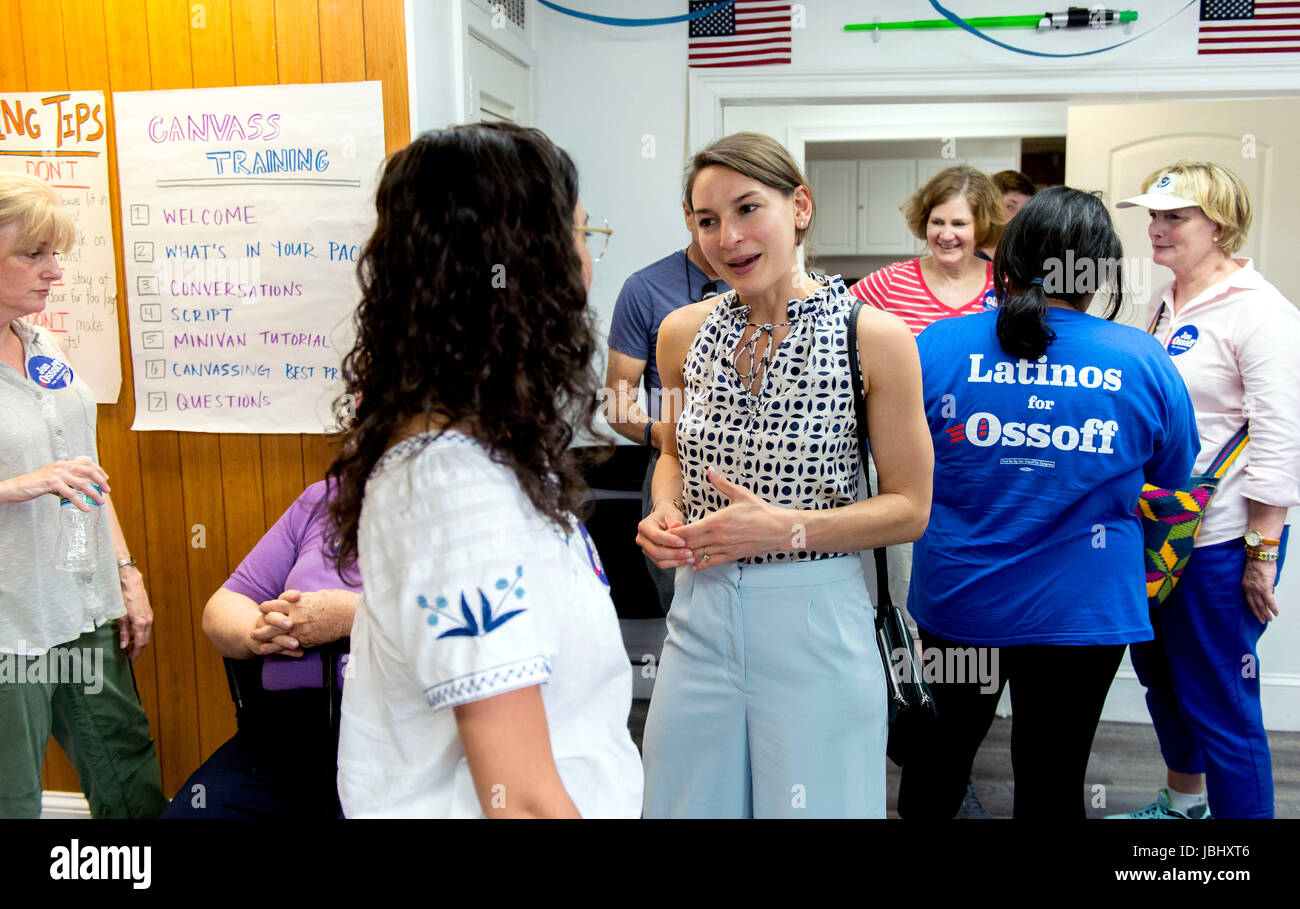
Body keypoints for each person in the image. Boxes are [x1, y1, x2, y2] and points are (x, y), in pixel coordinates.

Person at [329, 123, 643, 818]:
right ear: (527, 262)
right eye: (582, 235)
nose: (589, 263)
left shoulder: (482, 453)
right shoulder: (451, 486)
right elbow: (523, 801)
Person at [635, 132, 933, 818]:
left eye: (747, 209)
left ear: (799, 205)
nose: (728, 237)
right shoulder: (681, 332)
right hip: (698, 613)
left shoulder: (873, 337)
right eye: (707, 220)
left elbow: (910, 507)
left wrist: (786, 528)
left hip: (816, 616)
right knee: (682, 806)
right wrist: (662, 509)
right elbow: (676, 450)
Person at [896, 186, 1200, 819]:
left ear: (1006, 257)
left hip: (961, 600)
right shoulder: (1142, 360)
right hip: (1082, 614)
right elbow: (1172, 476)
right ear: (1100, 272)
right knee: (1054, 776)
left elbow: (895, 463)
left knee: (939, 762)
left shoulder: (935, 348)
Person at [1109, 162, 1300, 820]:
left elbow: (1280, 442)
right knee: (1161, 682)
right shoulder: (1164, 303)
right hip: (1160, 528)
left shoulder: (1262, 312)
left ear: (1218, 224)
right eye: (1153, 216)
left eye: (1175, 216)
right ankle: (1185, 808)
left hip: (1220, 541)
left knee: (1221, 697)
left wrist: (1261, 553)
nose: (1156, 229)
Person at [0, 172, 166, 818]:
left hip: (82, 605)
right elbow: (43, 476)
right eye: (33, 254)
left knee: (129, 776)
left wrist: (124, 572)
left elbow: (84, 468)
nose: (55, 273)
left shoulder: (44, 344)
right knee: (13, 796)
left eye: (56, 254)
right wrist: (20, 485)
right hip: (10, 626)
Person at [161, 480, 359, 818]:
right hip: (278, 738)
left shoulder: (466, 507)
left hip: (397, 738)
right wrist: (259, 631)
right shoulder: (326, 497)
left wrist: (354, 616)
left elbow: (465, 617)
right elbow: (224, 605)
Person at [604, 215, 730, 614]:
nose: (729, 234)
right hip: (674, 465)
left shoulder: (781, 289)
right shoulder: (645, 288)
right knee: (683, 604)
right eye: (709, 217)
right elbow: (615, 401)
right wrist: (666, 436)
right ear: (688, 214)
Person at [850, 164, 1004, 337]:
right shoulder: (892, 281)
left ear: (983, 226)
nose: (946, 235)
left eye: (959, 224)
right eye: (937, 222)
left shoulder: (1005, 285)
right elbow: (833, 317)